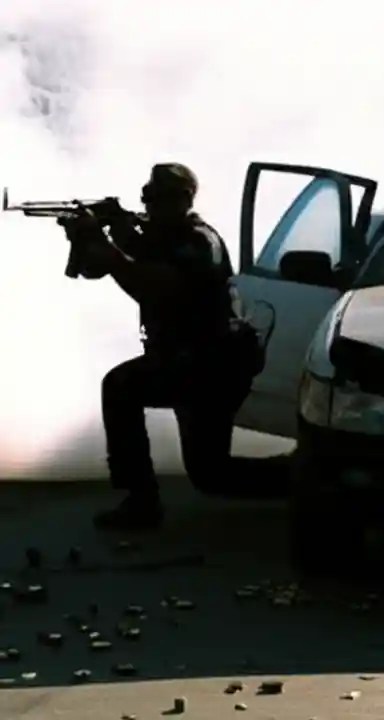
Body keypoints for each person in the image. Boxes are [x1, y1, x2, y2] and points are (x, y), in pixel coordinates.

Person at [67, 163, 265, 531]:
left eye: (161, 199)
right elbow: (125, 257)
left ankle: (141, 503)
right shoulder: (165, 236)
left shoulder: (197, 242)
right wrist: (100, 234)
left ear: (184, 201)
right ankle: (306, 476)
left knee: (122, 388)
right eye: (149, 198)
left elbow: (152, 283)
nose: (152, 207)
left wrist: (109, 248)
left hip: (212, 366)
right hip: (192, 361)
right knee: (212, 473)